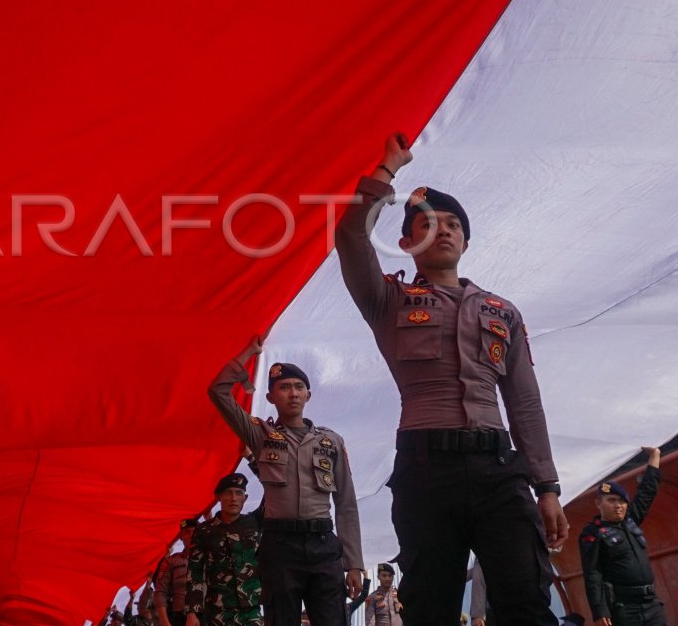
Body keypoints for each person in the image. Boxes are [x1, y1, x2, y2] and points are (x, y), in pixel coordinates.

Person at [335, 133, 567, 626]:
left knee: (526, 597)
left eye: (453, 224)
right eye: (427, 224)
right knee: (430, 605)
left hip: (500, 470)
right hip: (425, 470)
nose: (443, 230)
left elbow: (525, 402)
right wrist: (387, 171)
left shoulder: (502, 310)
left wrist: (547, 487)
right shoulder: (388, 301)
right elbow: (351, 237)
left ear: (466, 239)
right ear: (405, 243)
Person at [209, 339, 364, 625]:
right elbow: (218, 392)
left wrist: (354, 563)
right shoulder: (261, 435)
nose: (292, 393)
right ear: (270, 397)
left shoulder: (330, 441)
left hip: (323, 547)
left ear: (308, 395)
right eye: (284, 387)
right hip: (280, 548)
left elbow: (346, 504)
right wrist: (246, 355)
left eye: (298, 387)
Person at [579, 447, 666, 626]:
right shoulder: (592, 533)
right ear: (598, 504)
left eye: (622, 501)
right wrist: (599, 610)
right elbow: (592, 573)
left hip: (651, 604)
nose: (618, 506)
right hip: (624, 608)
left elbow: (646, 492)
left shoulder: (630, 520)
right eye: (611, 500)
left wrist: (655, 456)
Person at [183, 473, 263, 626]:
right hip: (218, 611)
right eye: (228, 493)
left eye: (239, 493)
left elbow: (273, 489)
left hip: (251, 609)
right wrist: (192, 612)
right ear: (218, 497)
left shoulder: (254, 522)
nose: (233, 498)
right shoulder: (204, 531)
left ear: (245, 498)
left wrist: (252, 459)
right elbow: (195, 572)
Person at [157, 520, 198, 626]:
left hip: (210, 614)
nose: (191, 535)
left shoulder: (212, 557)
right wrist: (165, 623)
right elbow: (160, 592)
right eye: (187, 532)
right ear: (180, 536)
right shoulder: (171, 561)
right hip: (180, 618)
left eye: (194, 532)